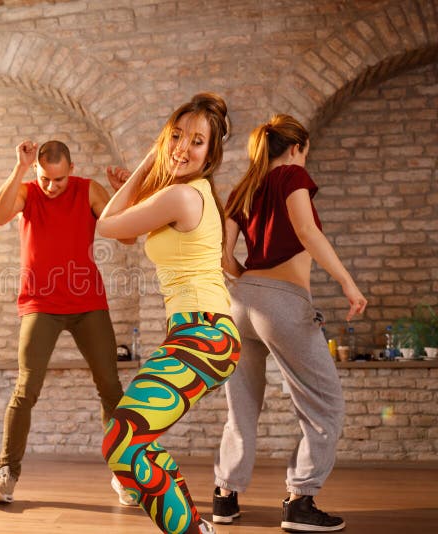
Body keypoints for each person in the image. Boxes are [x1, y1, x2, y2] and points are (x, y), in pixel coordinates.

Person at [212, 114, 367, 532]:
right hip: (282, 302)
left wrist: (250, 285)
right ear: (297, 147)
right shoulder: (292, 176)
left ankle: (224, 497)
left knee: (241, 406)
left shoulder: (242, 188)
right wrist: (348, 284)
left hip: (240, 301)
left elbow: (223, 257)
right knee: (325, 404)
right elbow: (306, 231)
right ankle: (300, 501)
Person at [98, 93, 241, 534]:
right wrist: (152, 173)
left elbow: (105, 222)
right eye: (176, 136)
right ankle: (195, 527)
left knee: (123, 442)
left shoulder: (182, 195)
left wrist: (147, 163)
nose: (182, 147)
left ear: (210, 154)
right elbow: (123, 236)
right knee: (127, 443)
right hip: (193, 334)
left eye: (196, 142)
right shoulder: (179, 195)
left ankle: (195, 530)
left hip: (207, 335)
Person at [0, 139, 133, 505]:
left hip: (87, 303)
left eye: (59, 180)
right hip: (40, 303)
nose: (52, 187)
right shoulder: (27, 192)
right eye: (46, 179)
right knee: (26, 388)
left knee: (110, 386)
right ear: (37, 170)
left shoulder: (88, 189)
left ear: (71, 169)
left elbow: (128, 235)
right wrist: (19, 168)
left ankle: (125, 476)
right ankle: (6, 475)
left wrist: (123, 195)